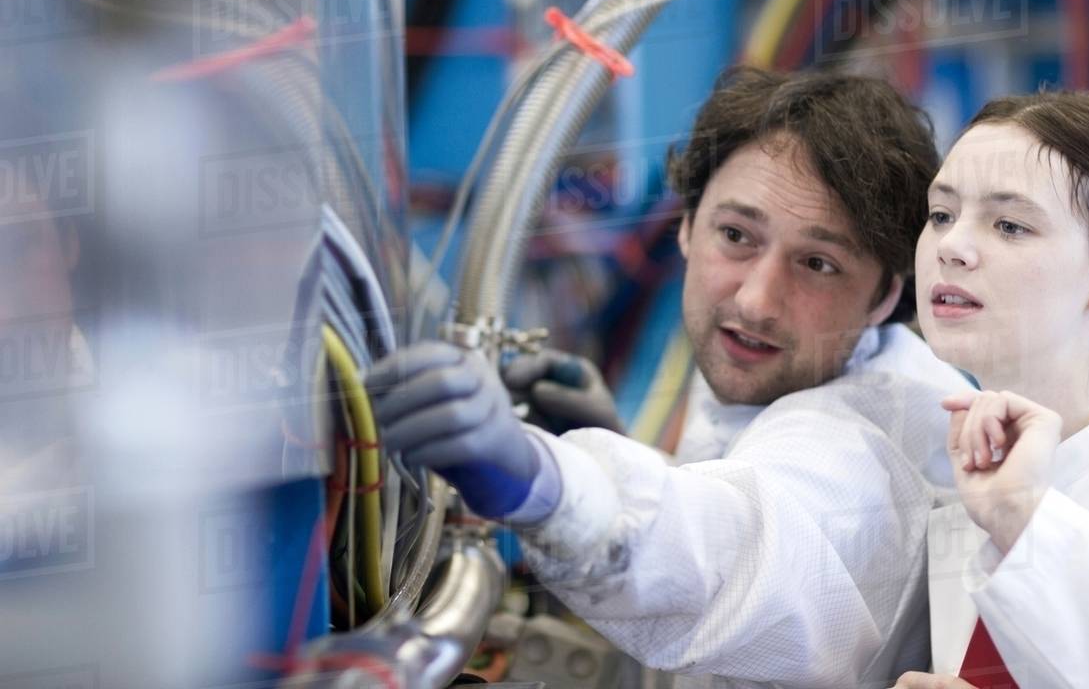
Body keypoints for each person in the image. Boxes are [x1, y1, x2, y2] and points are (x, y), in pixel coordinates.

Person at [369, 67, 971, 687]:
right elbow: (729, 501)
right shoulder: (795, 370)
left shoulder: (869, 449)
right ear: (687, 227)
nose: (758, 300)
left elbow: (733, 554)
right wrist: (631, 458)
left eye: (818, 264)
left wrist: (546, 483)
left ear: (884, 296)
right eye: (736, 235)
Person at [893, 91, 1089, 689]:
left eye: (1009, 224)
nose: (951, 246)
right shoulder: (970, 491)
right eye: (941, 215)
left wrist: (1022, 518)